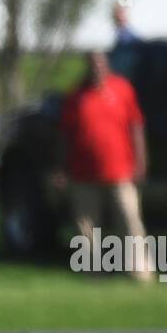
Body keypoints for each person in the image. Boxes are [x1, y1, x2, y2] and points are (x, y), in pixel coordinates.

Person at [60, 51, 153, 281]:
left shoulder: (122, 89)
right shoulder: (75, 96)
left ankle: (139, 272)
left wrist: (141, 161)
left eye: (100, 65)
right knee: (87, 228)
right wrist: (61, 168)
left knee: (129, 218)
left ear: (107, 66)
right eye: (92, 65)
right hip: (83, 173)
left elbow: (136, 126)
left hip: (121, 170)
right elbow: (64, 136)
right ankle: (94, 273)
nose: (96, 69)